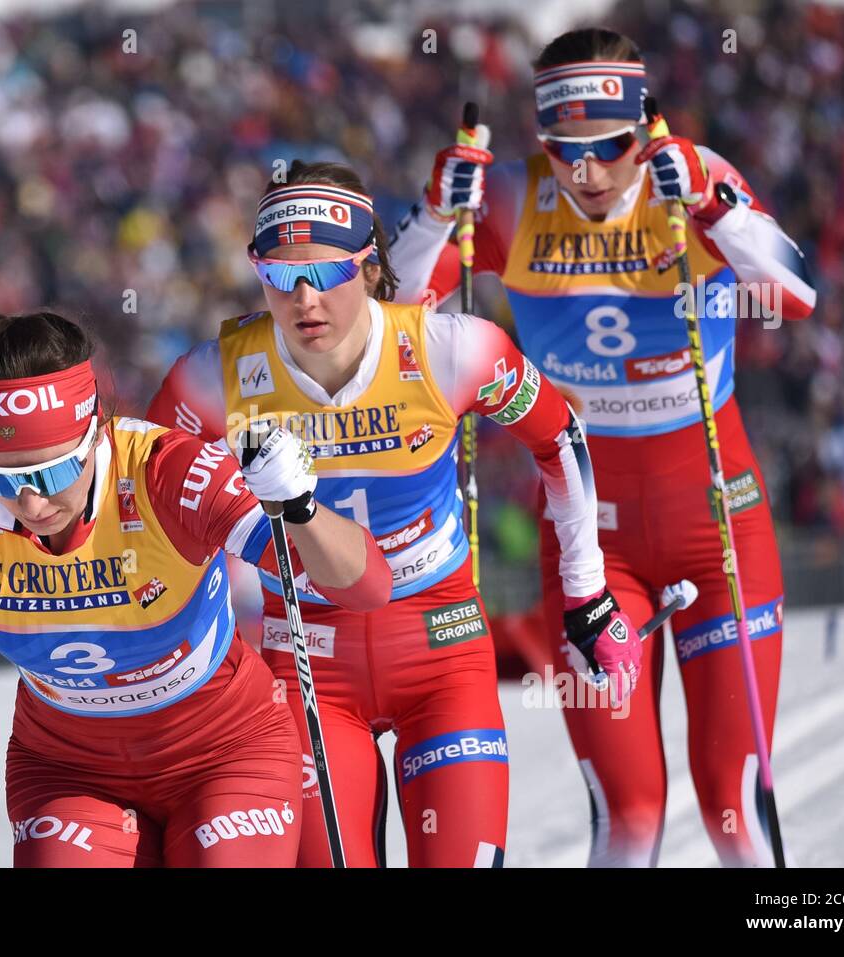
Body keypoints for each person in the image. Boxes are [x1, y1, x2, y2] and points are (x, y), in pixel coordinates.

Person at [388, 27, 817, 866]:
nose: (584, 171)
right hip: (591, 543)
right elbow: (398, 316)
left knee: (732, 800)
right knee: (627, 812)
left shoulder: (686, 176)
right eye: (563, 149)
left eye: (607, 147)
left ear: (641, 126)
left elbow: (794, 294)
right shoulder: (512, 199)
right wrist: (433, 215)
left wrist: (709, 205)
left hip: (716, 518)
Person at [0, 311, 391, 868]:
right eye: (2, 477)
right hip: (68, 767)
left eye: (55, 470)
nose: (31, 501)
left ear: (98, 433)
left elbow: (364, 588)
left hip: (224, 752)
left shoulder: (165, 472)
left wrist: (301, 508)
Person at [147, 162, 637, 867]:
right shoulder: (215, 375)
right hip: (307, 660)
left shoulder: (450, 349)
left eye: (328, 274)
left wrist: (587, 594)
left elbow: (560, 438)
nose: (305, 299)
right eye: (281, 277)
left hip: (441, 650)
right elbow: (154, 508)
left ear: (371, 268)